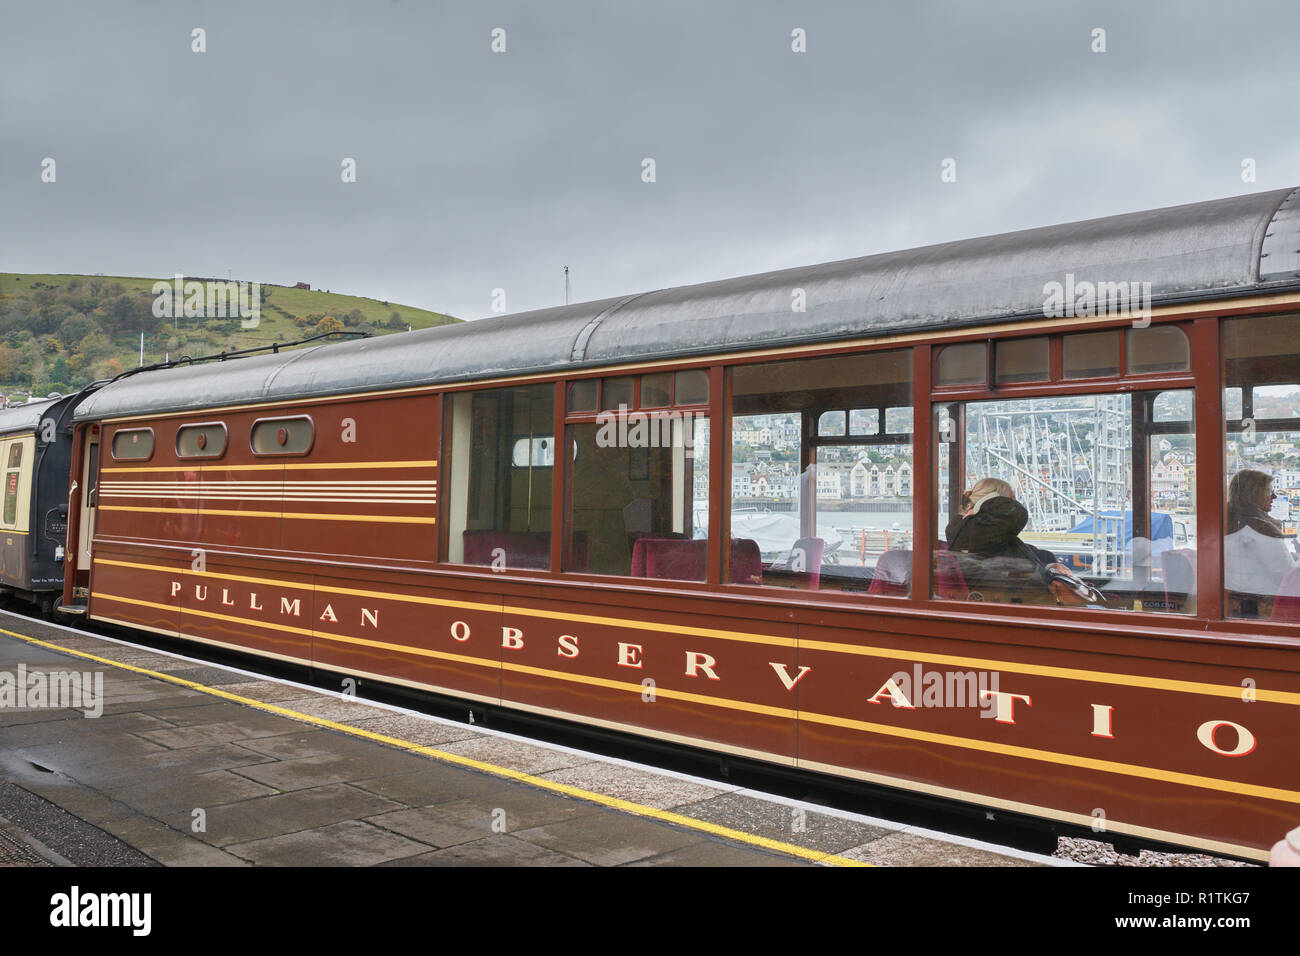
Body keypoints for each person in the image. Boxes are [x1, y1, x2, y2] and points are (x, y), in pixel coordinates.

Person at [946, 478, 1057, 596]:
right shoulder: (975, 528)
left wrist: (1049, 565)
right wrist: (981, 504)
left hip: (1014, 594)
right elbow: (1018, 512)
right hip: (1003, 597)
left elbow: (1010, 549)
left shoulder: (985, 528)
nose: (1014, 503)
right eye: (1009, 500)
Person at [1224, 470, 1297, 610]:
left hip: (1232, 603)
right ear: (1253, 495)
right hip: (1263, 606)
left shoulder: (1222, 522)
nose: (1274, 496)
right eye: (1269, 491)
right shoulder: (1262, 529)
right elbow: (1288, 577)